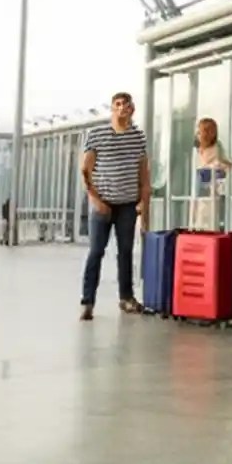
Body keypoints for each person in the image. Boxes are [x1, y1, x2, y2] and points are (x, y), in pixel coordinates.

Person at [78, 92, 150, 321]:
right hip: (103, 203)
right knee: (96, 251)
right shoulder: (97, 134)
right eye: (117, 105)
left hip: (127, 204)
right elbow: (85, 169)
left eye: (125, 105)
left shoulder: (138, 137)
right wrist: (95, 199)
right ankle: (87, 301)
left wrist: (142, 200)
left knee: (126, 252)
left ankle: (126, 297)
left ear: (132, 109)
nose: (121, 109)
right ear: (112, 108)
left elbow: (143, 170)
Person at [191, 117, 232, 229]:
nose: (202, 135)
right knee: (200, 216)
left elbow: (223, 163)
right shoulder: (196, 150)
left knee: (213, 217)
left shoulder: (217, 147)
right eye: (200, 131)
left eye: (209, 131)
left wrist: (222, 166)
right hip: (201, 189)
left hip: (215, 187)